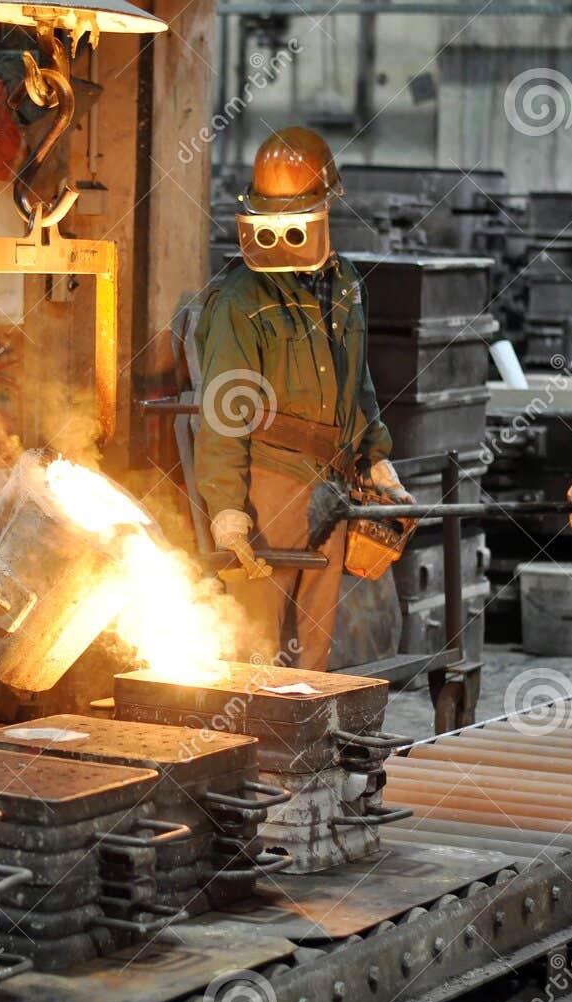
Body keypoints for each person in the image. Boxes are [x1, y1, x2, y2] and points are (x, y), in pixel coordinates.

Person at [194, 127, 409, 671]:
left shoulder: (345, 284)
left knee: (313, 648)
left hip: (331, 484)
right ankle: (245, 747)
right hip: (268, 487)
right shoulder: (239, 301)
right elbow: (220, 414)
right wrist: (226, 511)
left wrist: (375, 457)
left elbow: (358, 384)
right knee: (255, 647)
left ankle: (306, 750)